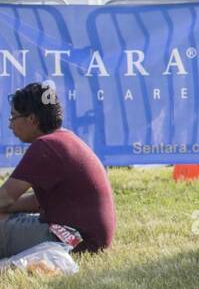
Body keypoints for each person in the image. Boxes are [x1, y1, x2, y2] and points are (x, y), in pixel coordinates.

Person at [0, 83, 116, 258]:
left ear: (31, 119)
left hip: (73, 241)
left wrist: (5, 206)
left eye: (13, 117)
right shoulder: (64, 139)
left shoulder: (44, 146)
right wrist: (7, 209)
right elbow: (38, 202)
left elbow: (5, 197)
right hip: (85, 238)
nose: (10, 125)